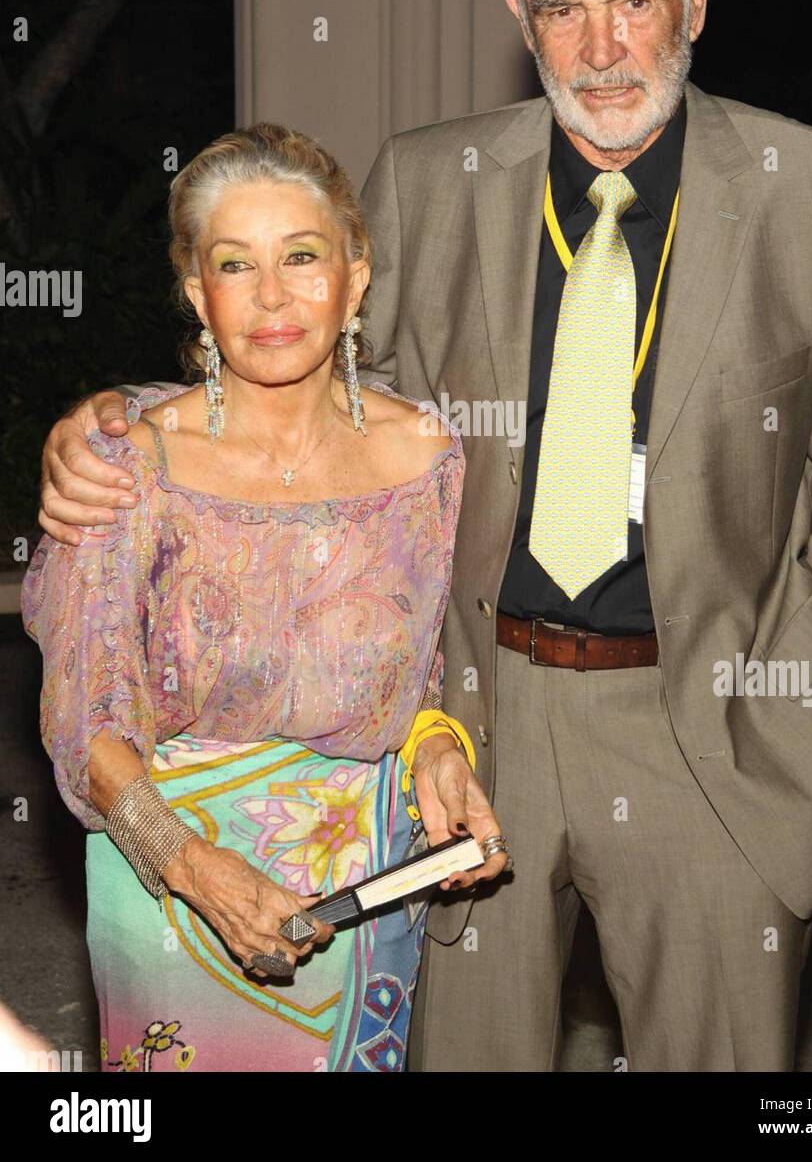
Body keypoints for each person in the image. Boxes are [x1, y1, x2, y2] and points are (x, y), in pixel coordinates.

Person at [38, 0, 812, 1072]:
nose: (602, 49)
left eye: (635, 2)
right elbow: (303, 370)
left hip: (712, 728)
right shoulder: (427, 179)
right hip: (466, 722)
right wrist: (113, 418)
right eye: (562, 10)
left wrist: (802, 701)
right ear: (519, 14)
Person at [23, 123, 507, 1073]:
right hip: (168, 878)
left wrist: (441, 756)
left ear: (356, 277)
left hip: (365, 880)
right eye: (235, 266)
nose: (273, 296)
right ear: (199, 293)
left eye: (302, 256)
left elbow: (440, 671)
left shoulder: (428, 459)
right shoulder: (128, 467)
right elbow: (84, 726)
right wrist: (192, 867)